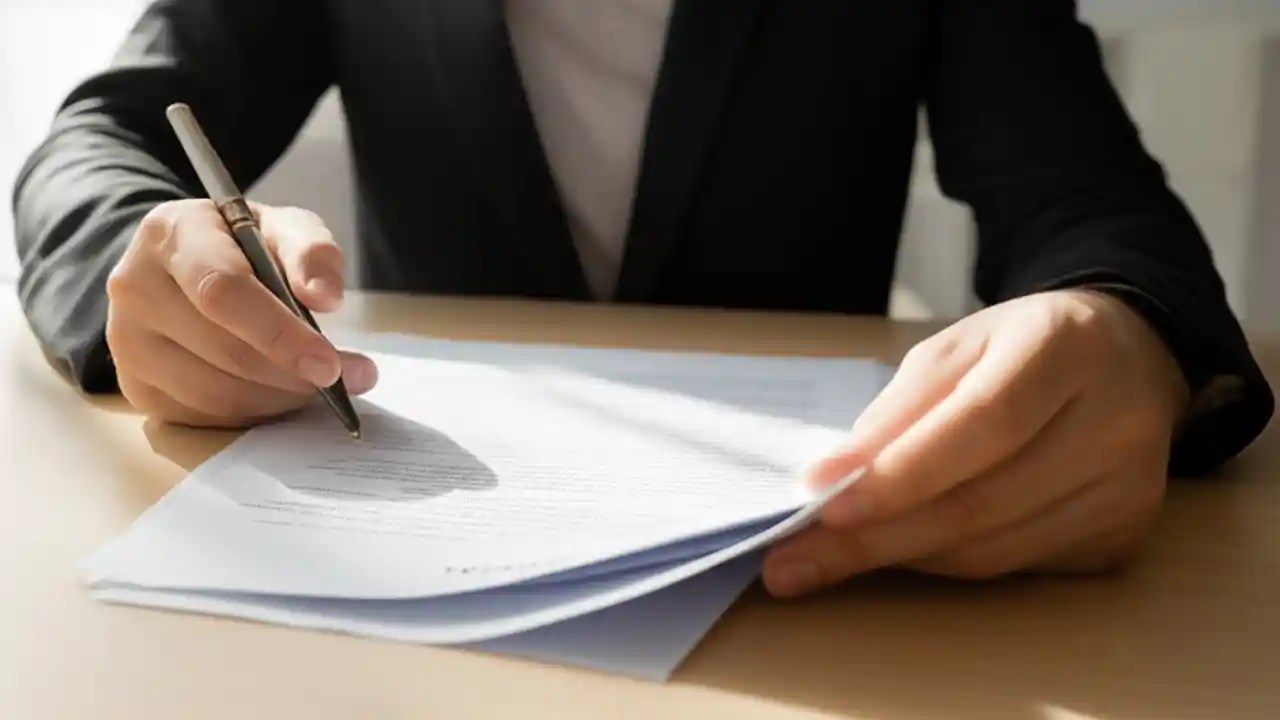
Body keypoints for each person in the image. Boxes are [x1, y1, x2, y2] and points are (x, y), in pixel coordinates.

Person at [12, 1, 1274, 599]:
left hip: (823, 584)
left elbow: (1095, 211)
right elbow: (100, 134)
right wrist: (148, 254)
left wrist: (1127, 333)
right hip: (405, 561)